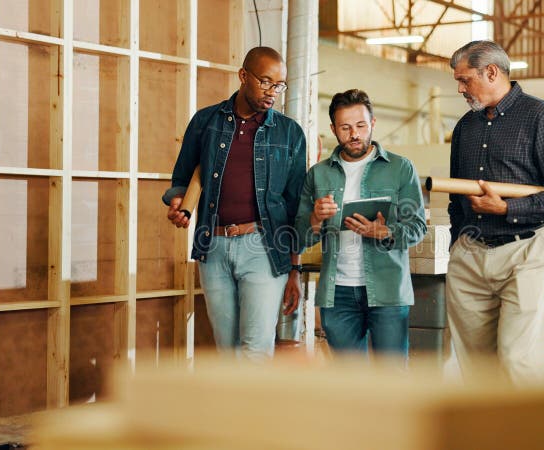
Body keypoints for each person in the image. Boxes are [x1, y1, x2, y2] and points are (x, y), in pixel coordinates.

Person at [446, 41, 544, 384]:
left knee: (516, 360)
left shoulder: (542, 118)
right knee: (475, 363)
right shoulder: (465, 127)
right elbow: (456, 198)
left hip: (526, 251)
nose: (460, 88)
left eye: (464, 80)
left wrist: (507, 208)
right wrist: (457, 241)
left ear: (491, 72)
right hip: (471, 255)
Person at [163, 47, 306, 361]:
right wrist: (177, 201)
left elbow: (296, 206)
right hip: (213, 246)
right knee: (227, 352)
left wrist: (295, 269)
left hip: (264, 247)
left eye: (279, 85)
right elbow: (182, 178)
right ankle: (232, 412)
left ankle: (255, 413)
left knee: (255, 351)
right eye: (266, 82)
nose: (273, 93)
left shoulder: (289, 133)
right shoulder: (205, 122)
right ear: (244, 76)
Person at [295, 89, 427, 362]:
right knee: (349, 383)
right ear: (333, 128)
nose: (354, 134)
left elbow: (417, 227)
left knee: (390, 377)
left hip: (388, 292)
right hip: (337, 293)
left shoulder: (401, 168)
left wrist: (385, 232)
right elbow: (300, 236)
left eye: (360, 126)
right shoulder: (318, 174)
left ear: (373, 124)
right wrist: (316, 218)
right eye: (345, 127)